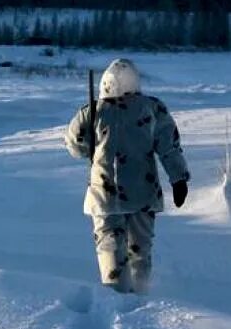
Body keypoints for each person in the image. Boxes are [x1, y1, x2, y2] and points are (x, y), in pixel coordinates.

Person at [64, 58, 189, 294]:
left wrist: (94, 141)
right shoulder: (153, 108)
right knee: (140, 252)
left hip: (105, 197)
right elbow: (169, 147)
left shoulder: (92, 111)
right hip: (143, 195)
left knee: (110, 251)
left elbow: (75, 146)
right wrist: (178, 178)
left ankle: (117, 296)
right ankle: (140, 296)